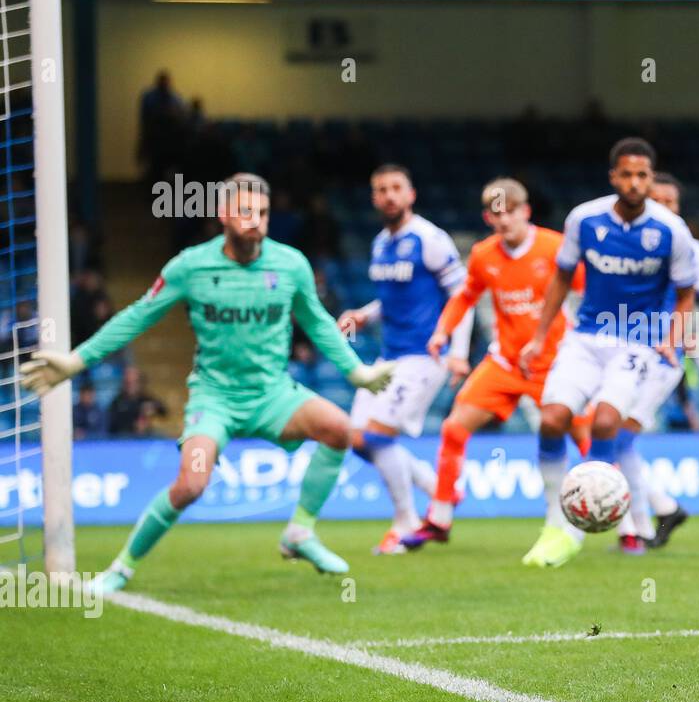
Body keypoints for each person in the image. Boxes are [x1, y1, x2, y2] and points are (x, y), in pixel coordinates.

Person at [21, 173, 395, 592]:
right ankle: (121, 568)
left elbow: (321, 325)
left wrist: (356, 372)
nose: (257, 220)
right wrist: (76, 360)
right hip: (214, 400)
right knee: (192, 482)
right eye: (246, 211)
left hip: (273, 394)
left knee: (340, 430)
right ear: (222, 214)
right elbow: (137, 316)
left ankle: (299, 532)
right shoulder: (191, 266)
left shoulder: (291, 265)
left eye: (264, 212)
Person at [517, 138, 696, 567]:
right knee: (551, 419)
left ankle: (580, 524)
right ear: (613, 176)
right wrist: (540, 336)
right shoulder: (584, 219)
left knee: (606, 423)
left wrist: (675, 339)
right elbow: (561, 279)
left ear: (650, 180)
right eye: (626, 174)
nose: (634, 183)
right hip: (586, 336)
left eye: (642, 175)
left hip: (636, 340)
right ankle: (554, 524)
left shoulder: (671, 230)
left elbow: (687, 294)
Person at [401, 177, 589, 549]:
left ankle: (629, 521)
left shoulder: (555, 248)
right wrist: (443, 331)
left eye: (510, 213)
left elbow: (589, 290)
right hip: (504, 362)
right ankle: (439, 518)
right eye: (495, 214)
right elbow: (465, 295)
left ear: (526, 211)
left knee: (587, 440)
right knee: (454, 428)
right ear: (488, 217)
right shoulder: (484, 254)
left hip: (554, 363)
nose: (504, 222)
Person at [335, 164, 473, 555]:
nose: (389, 195)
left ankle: (406, 522)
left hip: (425, 356)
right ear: (374, 198)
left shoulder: (429, 238)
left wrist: (458, 354)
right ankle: (438, 488)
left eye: (396, 188)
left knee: (376, 436)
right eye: (381, 190)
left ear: (410, 194)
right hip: (388, 358)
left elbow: (462, 295)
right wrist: (365, 314)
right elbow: (395, 299)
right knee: (357, 439)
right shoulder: (381, 243)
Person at [615, 172, 699, 549]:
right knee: (615, 440)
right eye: (659, 201)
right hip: (624, 351)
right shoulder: (630, 244)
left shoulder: (689, 249)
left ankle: (639, 529)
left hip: (664, 355)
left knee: (618, 437)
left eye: (672, 202)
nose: (667, 208)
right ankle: (662, 509)